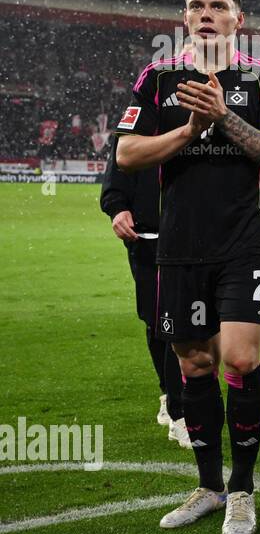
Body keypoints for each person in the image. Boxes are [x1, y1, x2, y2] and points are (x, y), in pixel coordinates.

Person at [114, 0, 260, 534]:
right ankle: (208, 485)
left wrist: (224, 116)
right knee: (195, 367)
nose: (207, 13)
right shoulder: (157, 78)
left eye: (220, 5)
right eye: (197, 5)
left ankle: (241, 489)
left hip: (246, 239)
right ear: (186, 19)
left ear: (239, 20)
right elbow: (126, 154)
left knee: (239, 360)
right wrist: (190, 129)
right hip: (180, 244)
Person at [99, 134, 188, 448]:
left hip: (191, 240)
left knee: (176, 326)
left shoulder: (194, 120)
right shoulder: (135, 123)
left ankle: (179, 412)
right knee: (156, 323)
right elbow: (115, 179)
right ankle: (171, 397)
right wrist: (117, 209)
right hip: (147, 240)